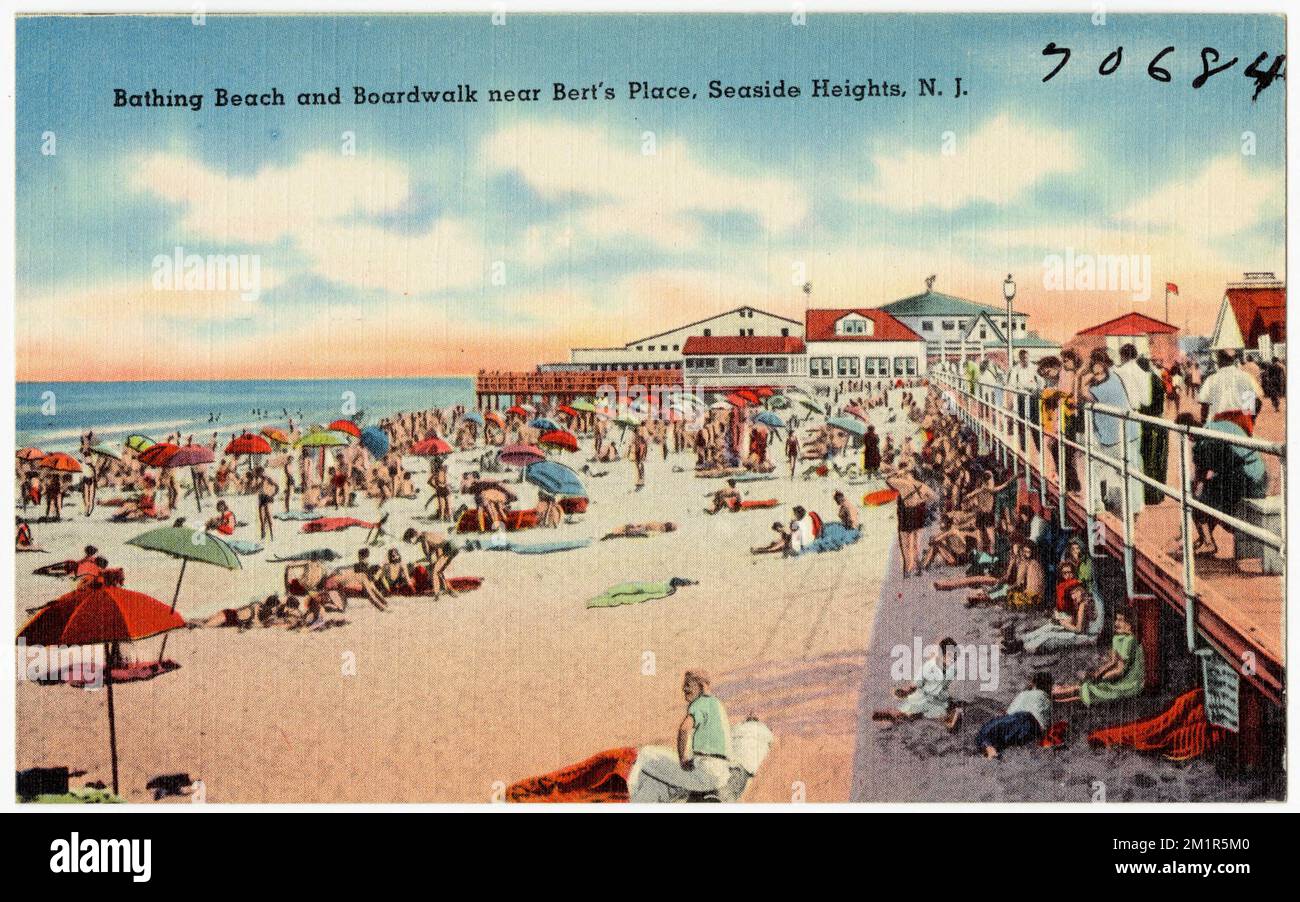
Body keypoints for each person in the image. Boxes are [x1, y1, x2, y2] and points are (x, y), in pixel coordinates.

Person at [628, 671, 734, 798]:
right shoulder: (717, 704)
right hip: (721, 774)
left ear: (702, 686)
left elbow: (684, 729)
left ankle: (628, 795)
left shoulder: (702, 702)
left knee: (645, 753)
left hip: (705, 773)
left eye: (688, 685)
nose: (684, 689)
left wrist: (683, 759)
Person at [1080, 348, 1143, 518]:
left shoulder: (1105, 383)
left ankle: (1102, 506)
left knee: (1101, 467)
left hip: (1117, 436)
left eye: (1095, 363)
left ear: (1102, 364)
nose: (1093, 366)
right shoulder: (1114, 377)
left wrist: (1080, 375)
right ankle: (1132, 509)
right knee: (1129, 471)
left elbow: (1081, 395)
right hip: (1121, 433)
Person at [1053, 609, 1145, 706]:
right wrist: (1097, 673)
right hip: (1117, 677)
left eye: (1121, 620)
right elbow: (1113, 661)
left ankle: (1058, 695)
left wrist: (1101, 677)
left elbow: (1121, 670)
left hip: (1127, 683)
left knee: (1089, 687)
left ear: (1130, 624)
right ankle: (1060, 694)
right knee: (1088, 684)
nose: (1116, 623)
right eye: (1116, 619)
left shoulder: (1130, 640)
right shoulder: (1117, 638)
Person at [872, 637, 963, 732]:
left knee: (937, 710)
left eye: (954, 655)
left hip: (938, 698)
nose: (953, 659)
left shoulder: (952, 671)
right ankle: (887, 714)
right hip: (922, 697)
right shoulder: (928, 667)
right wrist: (905, 692)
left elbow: (942, 686)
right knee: (908, 715)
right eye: (950, 655)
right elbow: (915, 685)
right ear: (941, 654)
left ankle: (951, 719)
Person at [976, 672, 1053, 759]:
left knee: (985, 736)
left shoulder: (1023, 694)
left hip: (1011, 719)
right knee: (998, 741)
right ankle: (993, 753)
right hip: (1030, 723)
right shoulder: (1047, 697)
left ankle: (992, 753)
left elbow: (1008, 713)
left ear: (1033, 683)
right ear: (1050, 685)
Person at [885, 458, 934, 578]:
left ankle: (907, 569)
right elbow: (933, 497)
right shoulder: (921, 485)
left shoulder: (903, 484)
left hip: (906, 514)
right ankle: (918, 567)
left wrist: (896, 473)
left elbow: (888, 480)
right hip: (919, 512)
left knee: (905, 543)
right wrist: (922, 501)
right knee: (917, 542)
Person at [1198, 349, 1263, 434]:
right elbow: (1252, 404)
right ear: (1233, 360)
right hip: (1242, 425)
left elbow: (1204, 406)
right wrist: (1250, 421)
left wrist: (1204, 424)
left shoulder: (1211, 379)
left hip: (1218, 427)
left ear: (1219, 360)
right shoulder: (1246, 377)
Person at [404, 527, 458, 597]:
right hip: (453, 545)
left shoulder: (423, 538)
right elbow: (438, 548)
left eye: (409, 541)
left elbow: (428, 557)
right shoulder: (426, 534)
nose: (410, 543)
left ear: (413, 536)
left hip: (448, 548)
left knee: (435, 572)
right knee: (439, 571)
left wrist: (416, 562)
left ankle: (437, 596)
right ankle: (448, 590)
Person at [254, 467, 277, 541]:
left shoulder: (268, 478)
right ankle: (263, 537)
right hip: (261, 498)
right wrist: (259, 483)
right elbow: (254, 490)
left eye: (261, 472)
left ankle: (272, 536)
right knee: (262, 519)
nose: (260, 474)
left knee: (269, 518)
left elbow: (276, 486)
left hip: (268, 498)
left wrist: (272, 494)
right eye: (258, 473)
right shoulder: (257, 479)